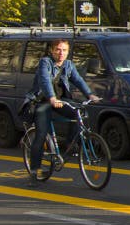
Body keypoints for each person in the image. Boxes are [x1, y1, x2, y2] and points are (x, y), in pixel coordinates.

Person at [26, 39, 100, 187]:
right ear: (52, 51)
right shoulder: (45, 63)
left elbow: (78, 81)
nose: (61, 53)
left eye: (64, 50)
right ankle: (34, 171)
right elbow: (45, 81)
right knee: (41, 135)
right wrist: (52, 98)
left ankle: (69, 145)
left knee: (80, 112)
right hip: (44, 101)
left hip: (61, 100)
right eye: (58, 50)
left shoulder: (68, 65)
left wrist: (90, 95)